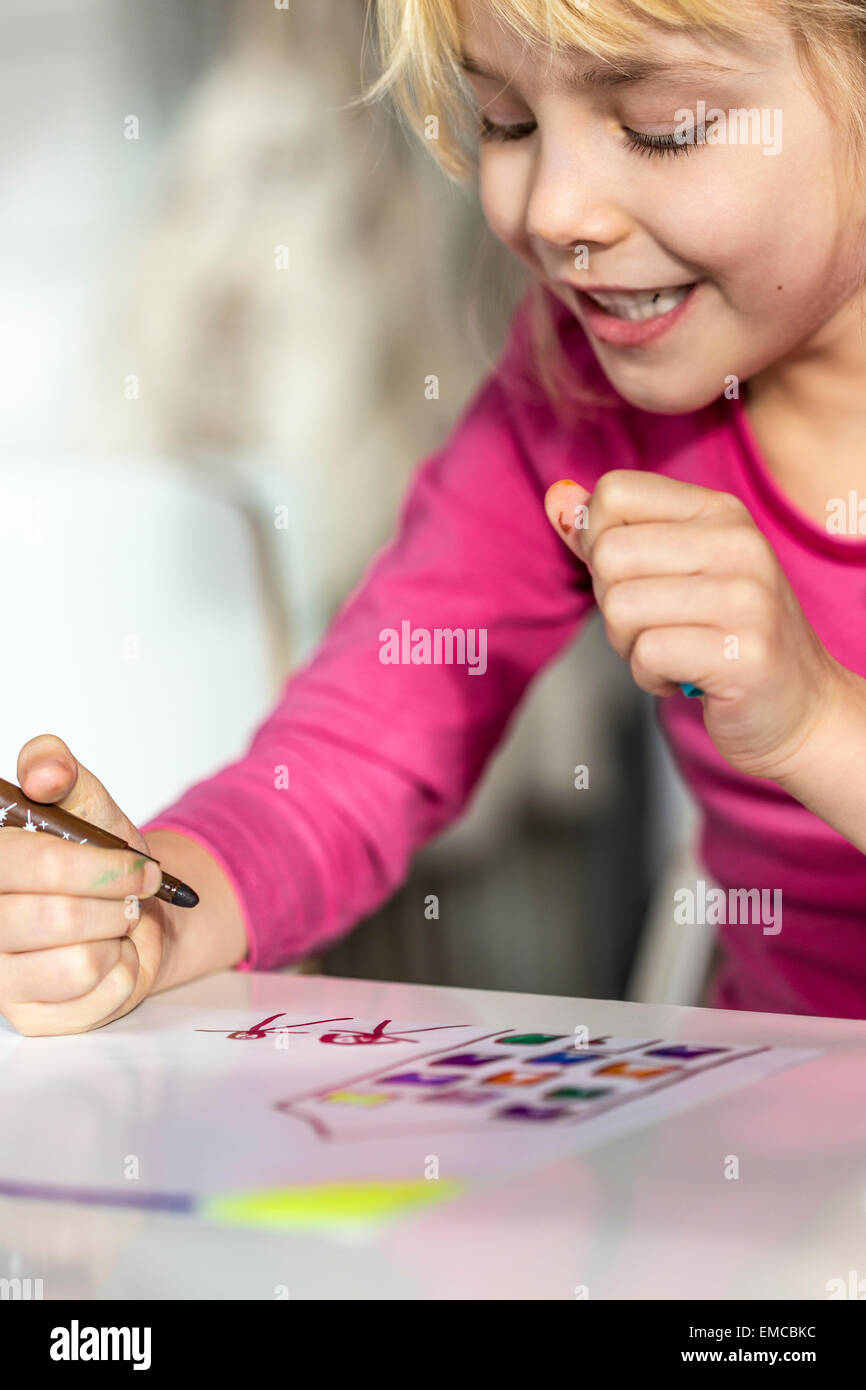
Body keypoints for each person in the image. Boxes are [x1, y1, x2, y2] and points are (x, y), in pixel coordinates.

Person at [5, 0, 866, 1034]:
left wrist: (815, 724)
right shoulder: (574, 392)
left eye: (660, 124)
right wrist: (163, 902)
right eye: (505, 122)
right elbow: (361, 748)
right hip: (787, 1146)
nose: (554, 211)